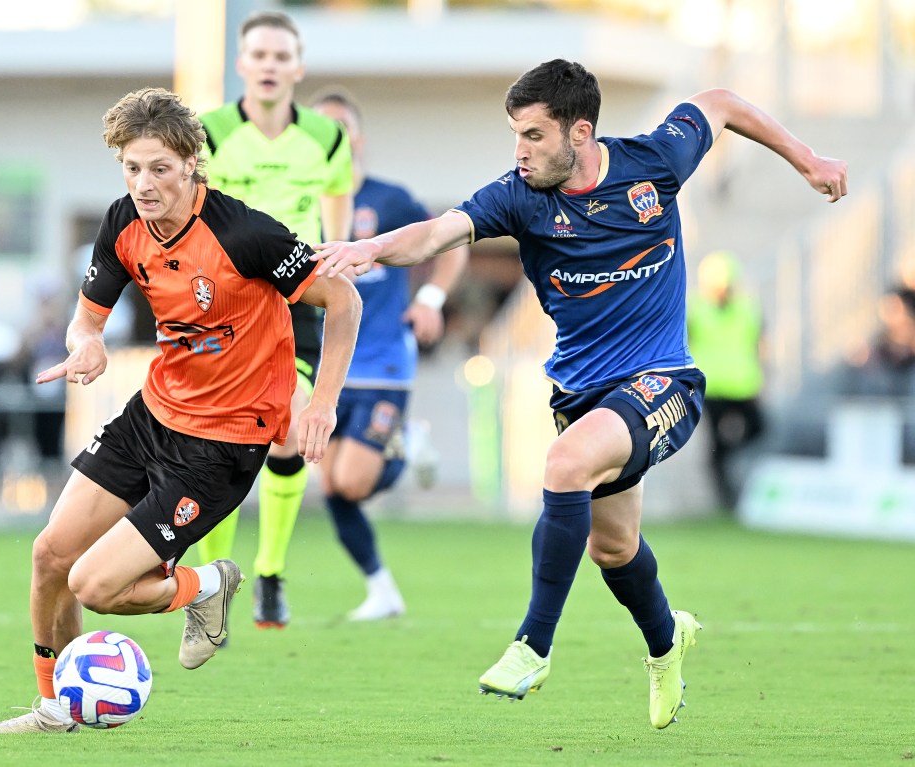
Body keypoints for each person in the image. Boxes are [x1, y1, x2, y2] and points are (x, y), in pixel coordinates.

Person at [314, 59, 847, 729]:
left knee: (564, 463)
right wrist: (368, 249)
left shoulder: (653, 162)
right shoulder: (519, 196)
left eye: (534, 135)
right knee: (613, 548)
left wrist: (806, 158)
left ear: (580, 131)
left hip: (664, 382)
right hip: (582, 393)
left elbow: (721, 102)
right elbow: (435, 232)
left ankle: (532, 644)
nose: (520, 151)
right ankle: (665, 640)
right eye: (516, 134)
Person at [0, 87, 361, 734]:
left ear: (191, 163)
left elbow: (344, 299)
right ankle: (53, 707)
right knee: (50, 556)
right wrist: (87, 343)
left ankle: (207, 583)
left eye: (158, 167)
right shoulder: (122, 223)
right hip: (152, 415)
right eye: (132, 167)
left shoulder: (246, 234)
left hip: (224, 445)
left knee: (95, 586)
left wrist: (321, 402)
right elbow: (86, 318)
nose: (144, 183)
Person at [195, 9, 354, 629]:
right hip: (225, 304)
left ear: (298, 67)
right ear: (241, 64)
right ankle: (214, 583)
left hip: (293, 304)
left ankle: (269, 573)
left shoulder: (326, 137)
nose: (269, 65)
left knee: (285, 432)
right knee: (220, 440)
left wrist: (336, 261)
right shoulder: (206, 132)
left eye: (280, 56)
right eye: (258, 55)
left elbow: (338, 199)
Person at [311, 89, 468, 620]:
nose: (333, 135)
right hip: (327, 367)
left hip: (382, 363)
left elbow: (450, 240)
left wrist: (429, 297)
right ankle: (381, 589)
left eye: (341, 126)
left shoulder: (390, 198)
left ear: (358, 138)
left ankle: (408, 442)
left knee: (352, 480)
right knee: (331, 487)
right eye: (321, 126)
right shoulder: (301, 203)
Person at [686, 251, 766, 510]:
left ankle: (728, 465)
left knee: (759, 429)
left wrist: (763, 377)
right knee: (716, 447)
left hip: (744, 385)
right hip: (711, 388)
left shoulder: (747, 308)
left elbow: (758, 344)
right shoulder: (695, 309)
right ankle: (726, 500)